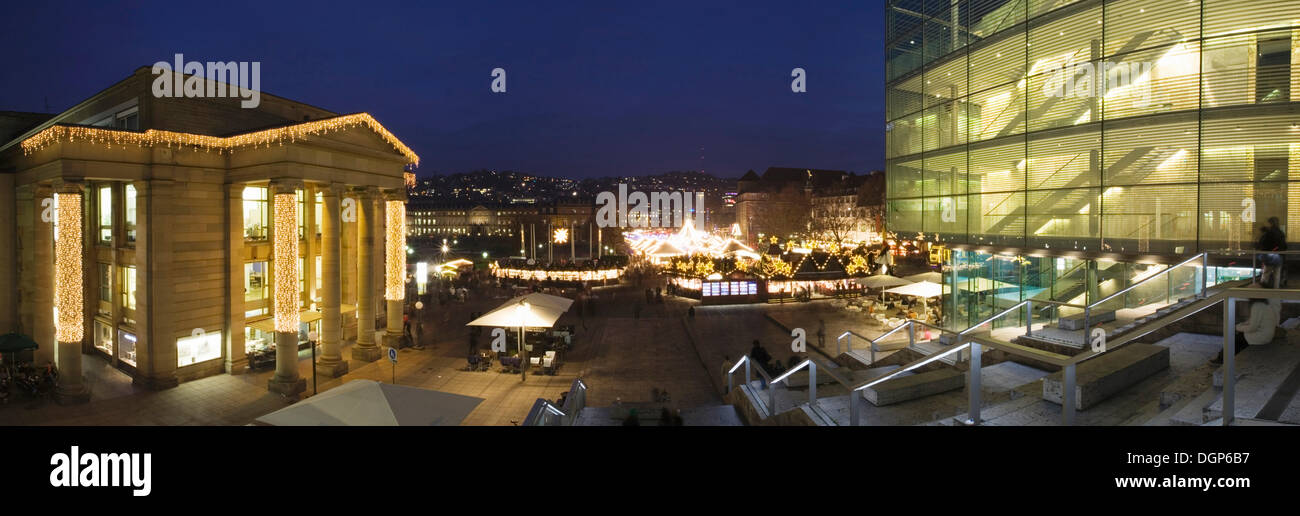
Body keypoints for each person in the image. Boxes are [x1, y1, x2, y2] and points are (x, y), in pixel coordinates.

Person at [1213, 293, 1281, 364]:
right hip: (1266, 335)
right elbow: (1251, 321)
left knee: (1233, 339)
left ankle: (1221, 359)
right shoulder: (1264, 305)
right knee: (1239, 337)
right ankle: (1228, 358)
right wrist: (1240, 326)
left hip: (1261, 337)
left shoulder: (1257, 306)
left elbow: (1252, 328)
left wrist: (1237, 327)